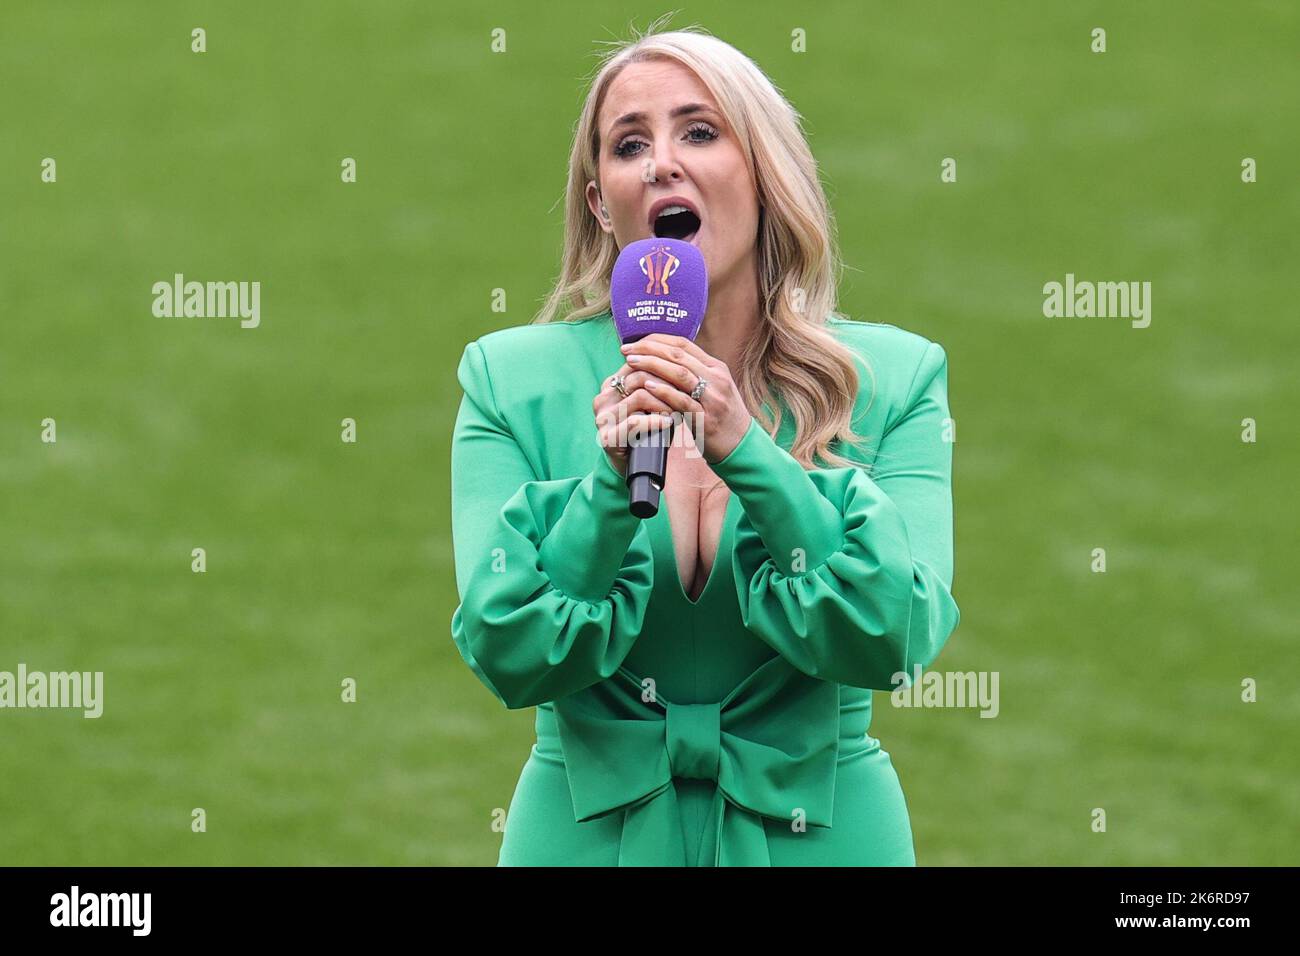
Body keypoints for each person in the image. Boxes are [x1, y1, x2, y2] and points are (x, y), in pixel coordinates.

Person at [449, 24, 960, 866]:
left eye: (698, 131)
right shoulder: (509, 381)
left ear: (764, 174)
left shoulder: (894, 378)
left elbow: (894, 638)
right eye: (627, 145)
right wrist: (610, 490)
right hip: (581, 840)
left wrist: (748, 454)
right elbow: (509, 652)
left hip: (827, 837)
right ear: (599, 203)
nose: (660, 163)